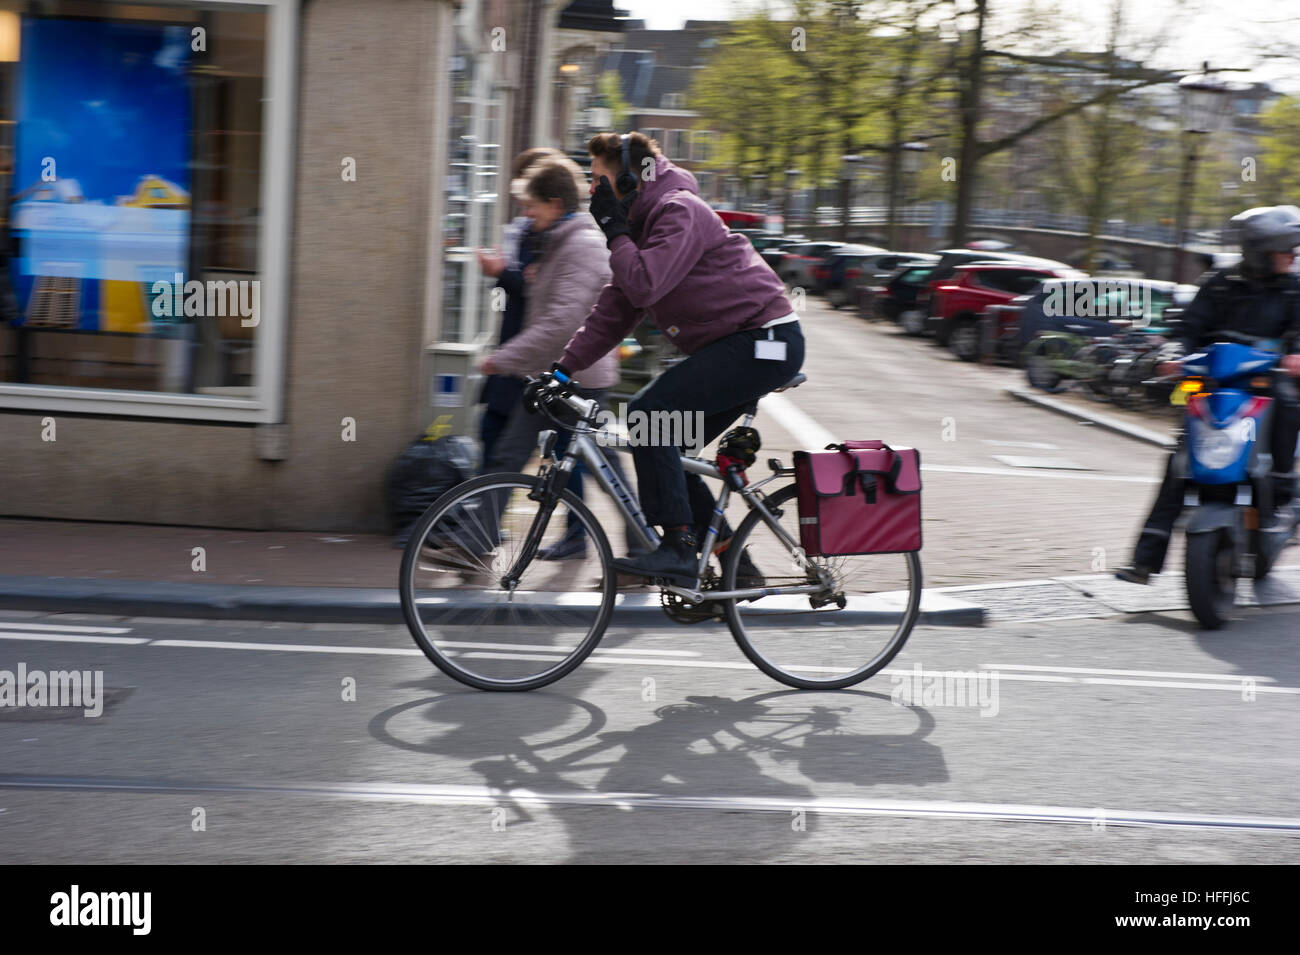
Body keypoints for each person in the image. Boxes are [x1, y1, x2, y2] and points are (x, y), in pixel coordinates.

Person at [554, 132, 804, 584]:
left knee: (650, 420)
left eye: (599, 179)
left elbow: (645, 284)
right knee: (668, 451)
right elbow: (616, 311)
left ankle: (678, 550)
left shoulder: (678, 212)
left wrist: (614, 232)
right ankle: (736, 565)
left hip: (765, 343)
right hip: (740, 345)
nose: (593, 191)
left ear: (631, 179)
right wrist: (561, 371)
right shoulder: (643, 226)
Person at [1116, 205, 1300, 584]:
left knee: (1288, 400)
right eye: (1287, 249)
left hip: (1265, 379)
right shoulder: (1218, 282)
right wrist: (1170, 355)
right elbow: (1188, 329)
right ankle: (1144, 560)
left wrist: (1296, 354)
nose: (1293, 256)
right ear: (1263, 251)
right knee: (1180, 460)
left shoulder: (1293, 288)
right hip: (1213, 380)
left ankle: (1282, 485)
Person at [476, 156, 633, 559]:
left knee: (600, 466)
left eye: (533, 206)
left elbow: (561, 324)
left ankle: (644, 545)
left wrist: (503, 358)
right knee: (512, 455)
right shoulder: (559, 242)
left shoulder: (579, 247)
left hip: (578, 377)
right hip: (553, 377)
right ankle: (472, 542)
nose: (527, 215)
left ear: (556, 204)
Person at [476, 146, 565, 462]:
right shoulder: (532, 230)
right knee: (500, 442)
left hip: (528, 363)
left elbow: (540, 295)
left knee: (559, 457)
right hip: (517, 358)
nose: (524, 207)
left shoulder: (555, 236)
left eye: (529, 198)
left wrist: (501, 273)